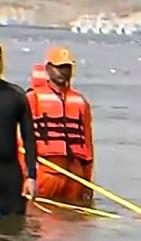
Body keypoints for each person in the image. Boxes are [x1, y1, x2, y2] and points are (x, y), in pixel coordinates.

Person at [27, 47, 93, 205]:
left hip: (75, 176)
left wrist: (87, 182)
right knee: (41, 222)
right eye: (59, 67)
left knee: (74, 225)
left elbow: (88, 147)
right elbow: (22, 142)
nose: (63, 71)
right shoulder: (33, 98)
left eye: (67, 67)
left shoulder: (81, 102)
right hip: (46, 173)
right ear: (48, 68)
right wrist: (27, 177)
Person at [0, 44, 36, 217]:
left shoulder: (16, 95)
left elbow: (29, 137)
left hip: (10, 175)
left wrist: (32, 177)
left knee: (15, 234)